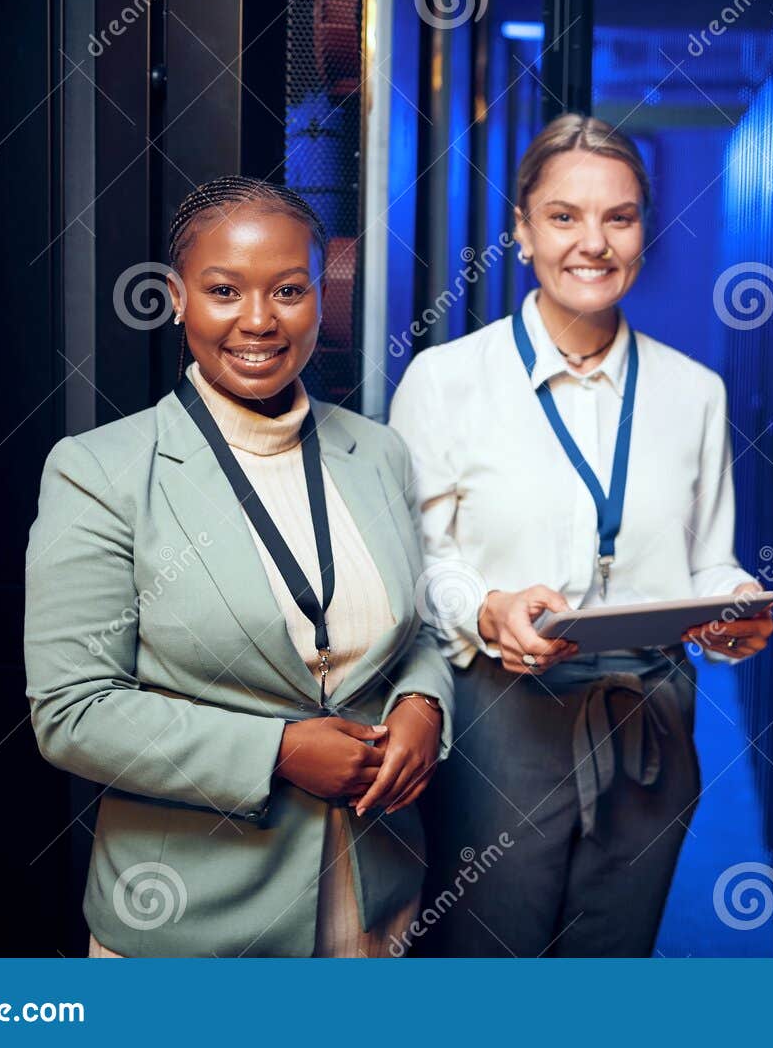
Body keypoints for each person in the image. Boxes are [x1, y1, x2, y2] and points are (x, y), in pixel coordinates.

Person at [23, 176, 452, 957]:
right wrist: (281, 752)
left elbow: (411, 631)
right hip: (191, 924)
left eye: (290, 289)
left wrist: (425, 706)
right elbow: (71, 713)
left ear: (322, 298)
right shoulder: (99, 470)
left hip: (373, 902)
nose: (259, 320)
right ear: (177, 298)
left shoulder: (378, 453)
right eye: (225, 290)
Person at [388, 113, 773, 956]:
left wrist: (734, 605)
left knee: (610, 960)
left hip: (652, 719)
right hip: (501, 717)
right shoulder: (447, 381)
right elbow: (414, 565)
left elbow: (710, 557)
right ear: (521, 231)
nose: (592, 242)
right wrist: (489, 610)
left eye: (619, 217)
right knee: (488, 960)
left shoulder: (694, 392)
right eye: (563, 216)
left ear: (644, 231)